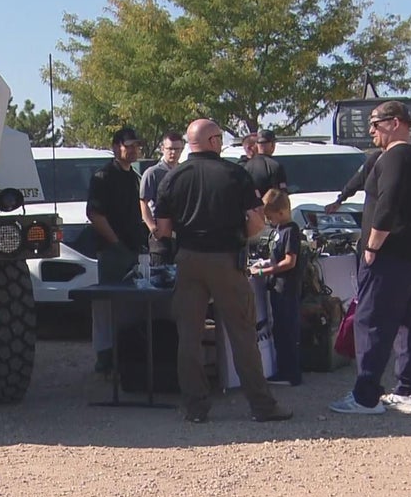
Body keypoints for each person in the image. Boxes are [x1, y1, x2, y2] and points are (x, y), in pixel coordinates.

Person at [154, 119, 293, 423]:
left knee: (188, 335)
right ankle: (262, 406)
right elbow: (257, 222)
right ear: (215, 141)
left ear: (190, 144)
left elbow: (162, 229)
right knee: (242, 334)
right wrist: (240, 234)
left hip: (189, 259)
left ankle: (195, 408)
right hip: (226, 259)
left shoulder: (172, 178)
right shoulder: (234, 174)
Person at [328, 101, 411, 415]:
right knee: (410, 323)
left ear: (396, 122)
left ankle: (366, 396)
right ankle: (408, 391)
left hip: (389, 255)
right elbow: (362, 182)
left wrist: (372, 247)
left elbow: (387, 204)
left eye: (376, 123)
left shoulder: (396, 158)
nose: (370, 130)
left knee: (371, 321)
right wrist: (340, 199)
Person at [86, 127, 145, 374]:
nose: (132, 150)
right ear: (115, 147)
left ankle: (127, 356)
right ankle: (105, 356)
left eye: (135, 146)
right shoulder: (103, 176)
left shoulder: (134, 177)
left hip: (133, 250)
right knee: (106, 307)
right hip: (111, 252)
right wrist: (116, 245)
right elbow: (94, 214)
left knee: (131, 307)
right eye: (127, 145)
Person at [252, 189, 304, 387]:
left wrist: (265, 272)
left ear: (281, 212)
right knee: (279, 329)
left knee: (287, 329)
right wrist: (264, 264)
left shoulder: (291, 230)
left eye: (270, 216)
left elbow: (290, 261)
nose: (269, 220)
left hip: (286, 287)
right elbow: (276, 256)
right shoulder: (278, 231)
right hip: (276, 286)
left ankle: (290, 373)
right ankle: (283, 369)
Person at [140, 131, 184, 265]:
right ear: (162, 149)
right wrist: (153, 228)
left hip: (181, 234)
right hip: (161, 237)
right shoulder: (152, 173)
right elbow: (143, 203)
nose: (173, 153)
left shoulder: (184, 171)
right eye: (170, 149)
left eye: (177, 149)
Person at [324, 149, 382, 214]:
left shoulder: (392, 158)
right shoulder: (377, 157)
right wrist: (340, 199)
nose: (374, 138)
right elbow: (357, 180)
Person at [244, 129, 288, 197]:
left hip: (254, 206)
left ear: (257, 145)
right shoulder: (276, 166)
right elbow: (282, 195)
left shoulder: (247, 166)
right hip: (271, 206)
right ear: (272, 145)